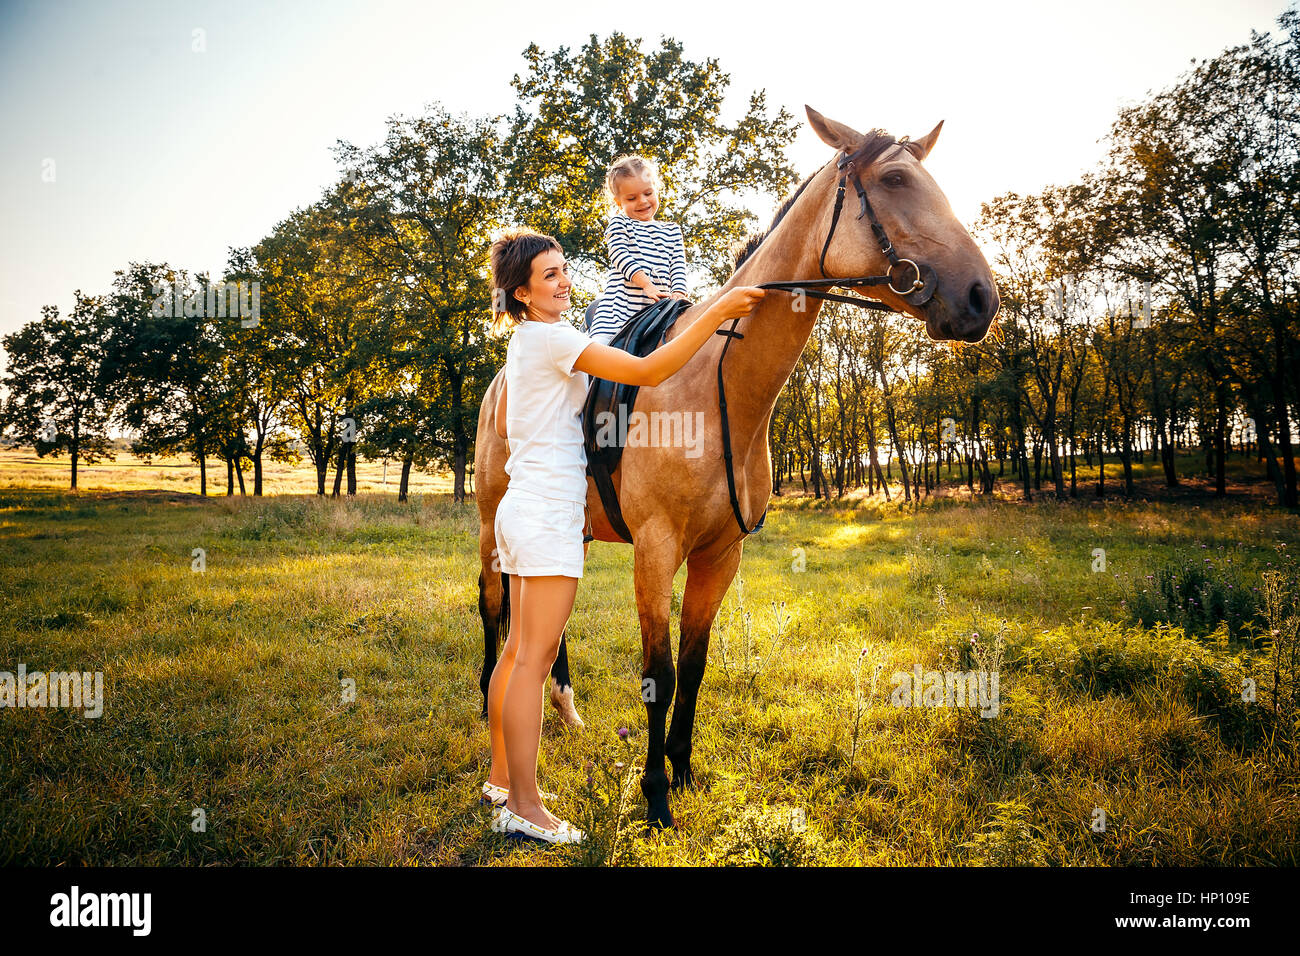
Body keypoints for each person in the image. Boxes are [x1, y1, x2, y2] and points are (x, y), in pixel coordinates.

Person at [484, 228, 764, 844]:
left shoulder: (528, 343)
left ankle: (502, 780)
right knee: (533, 661)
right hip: (550, 515)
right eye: (549, 276)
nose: (563, 281)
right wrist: (716, 307)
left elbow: (510, 420)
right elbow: (650, 367)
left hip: (526, 510)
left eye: (563, 270)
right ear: (524, 295)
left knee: (516, 653)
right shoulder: (556, 339)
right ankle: (525, 807)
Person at [583, 155, 689, 344]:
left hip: (660, 311)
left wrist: (679, 293)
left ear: (656, 190)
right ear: (618, 202)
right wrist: (647, 284)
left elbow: (678, 266)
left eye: (648, 193)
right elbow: (620, 256)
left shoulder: (672, 230)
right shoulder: (620, 223)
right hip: (619, 314)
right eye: (631, 198)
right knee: (598, 350)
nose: (642, 201)